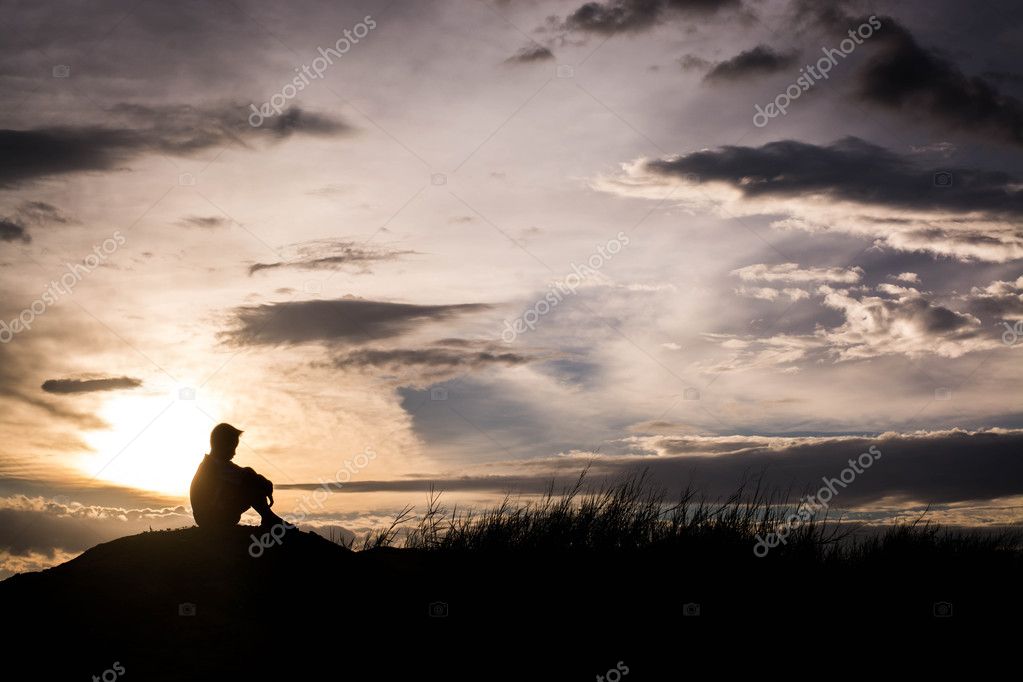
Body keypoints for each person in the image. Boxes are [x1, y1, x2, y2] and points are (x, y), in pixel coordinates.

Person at [190, 423, 289, 531]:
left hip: (210, 516)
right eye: (232, 448)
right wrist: (266, 484)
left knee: (250, 478)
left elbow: (244, 473)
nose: (234, 452)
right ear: (222, 445)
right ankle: (269, 518)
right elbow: (246, 475)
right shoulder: (214, 467)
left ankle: (268, 517)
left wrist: (261, 482)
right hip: (211, 518)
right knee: (250, 481)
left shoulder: (214, 465)